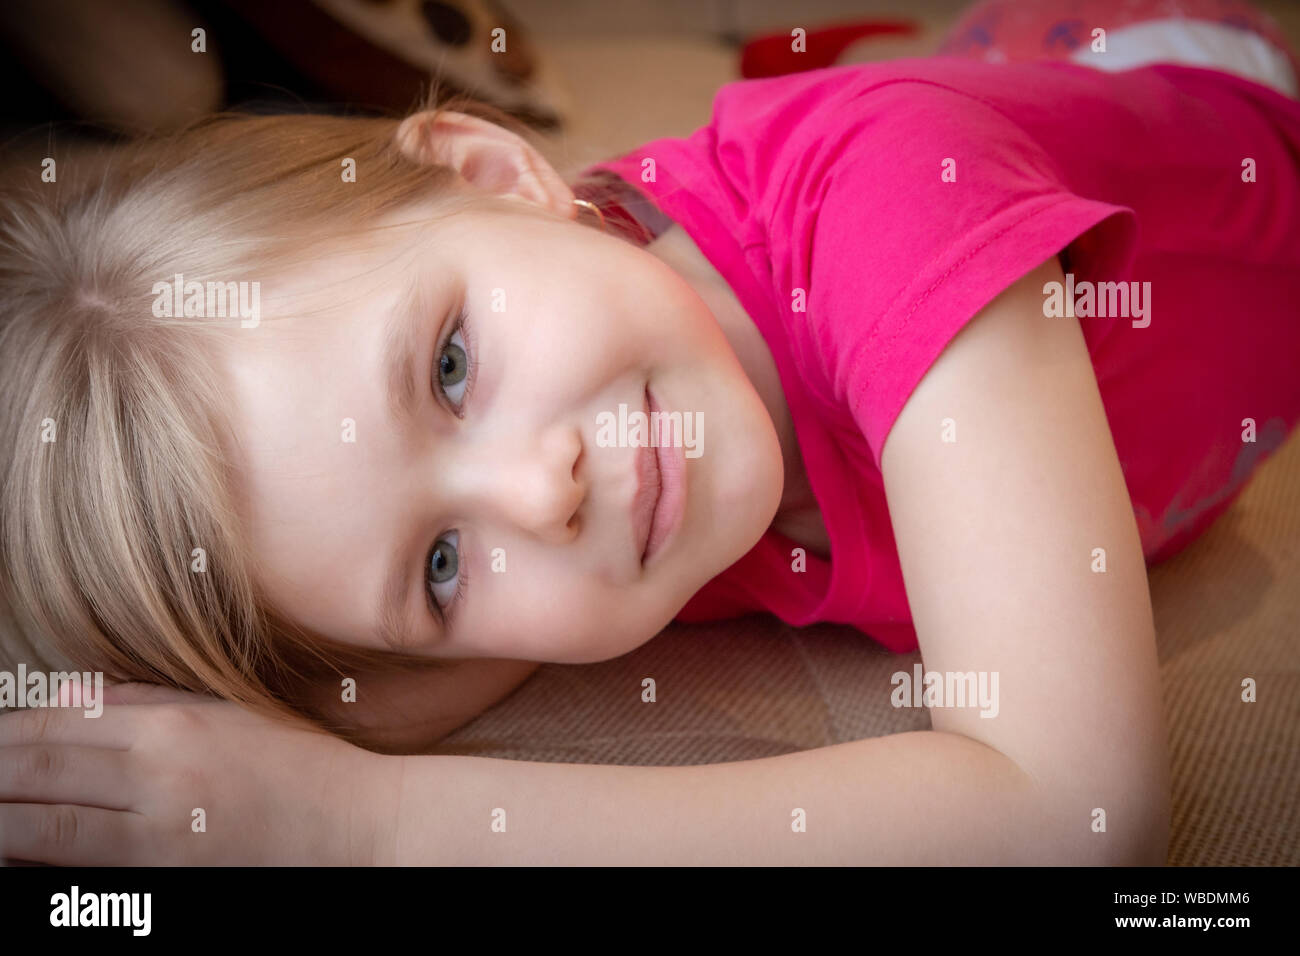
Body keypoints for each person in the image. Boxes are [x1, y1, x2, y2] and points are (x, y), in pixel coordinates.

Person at [1, 0, 1297, 864]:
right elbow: (371, 688)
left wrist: (364, 826)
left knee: (957, 96)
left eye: (449, 368)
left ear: (493, 173)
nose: (537, 494)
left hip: (1207, 88)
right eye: (443, 565)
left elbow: (1076, 809)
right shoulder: (608, 454)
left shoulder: (898, 208)